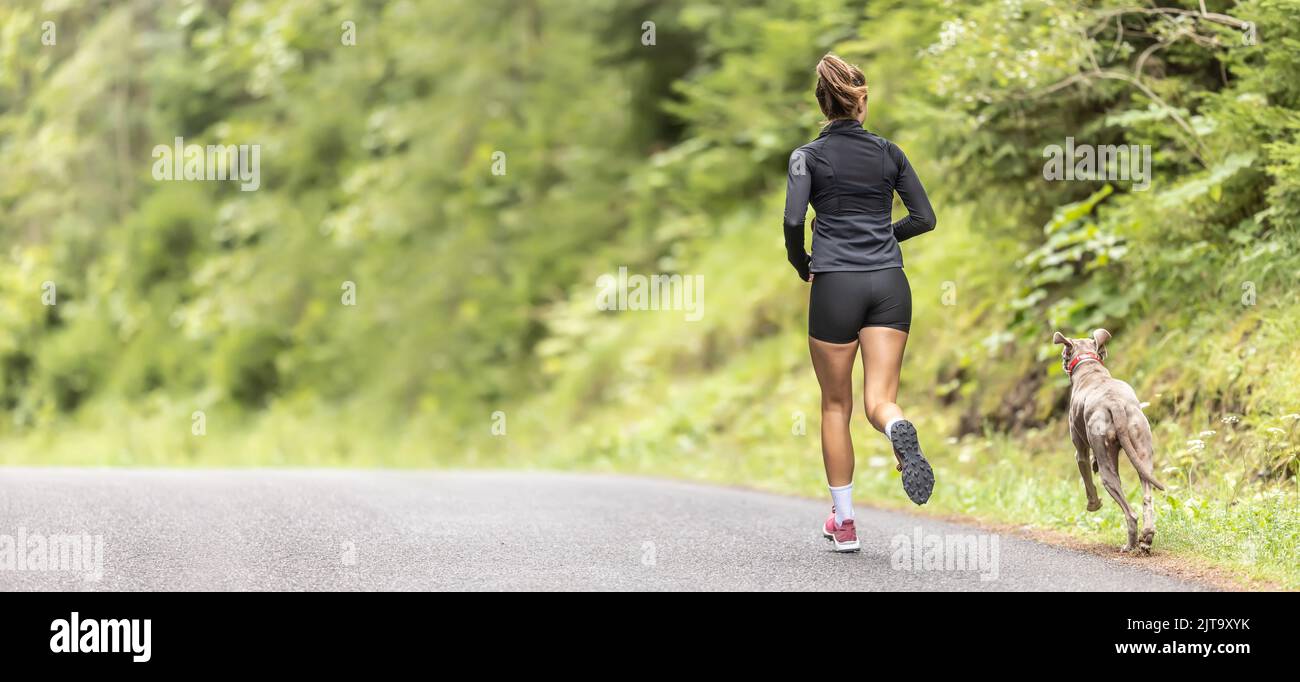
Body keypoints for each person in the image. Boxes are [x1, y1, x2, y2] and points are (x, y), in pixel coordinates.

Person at [783, 54, 937, 552]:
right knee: (878, 400)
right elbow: (924, 217)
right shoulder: (889, 152)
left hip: (835, 284)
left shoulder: (806, 156)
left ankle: (844, 523)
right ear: (861, 102)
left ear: (821, 104)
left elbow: (790, 221)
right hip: (889, 282)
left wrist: (802, 259)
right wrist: (882, 237)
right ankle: (896, 427)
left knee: (835, 404)